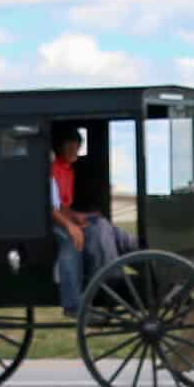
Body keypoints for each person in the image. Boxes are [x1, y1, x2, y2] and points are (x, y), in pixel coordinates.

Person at [50, 126, 125, 315]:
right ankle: (73, 304)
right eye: (70, 145)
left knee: (105, 227)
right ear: (60, 147)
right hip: (49, 223)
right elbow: (48, 206)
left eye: (77, 145)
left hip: (62, 217)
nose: (74, 150)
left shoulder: (68, 170)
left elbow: (60, 204)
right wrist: (70, 225)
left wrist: (75, 216)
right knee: (72, 241)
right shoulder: (51, 170)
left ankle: (150, 261)